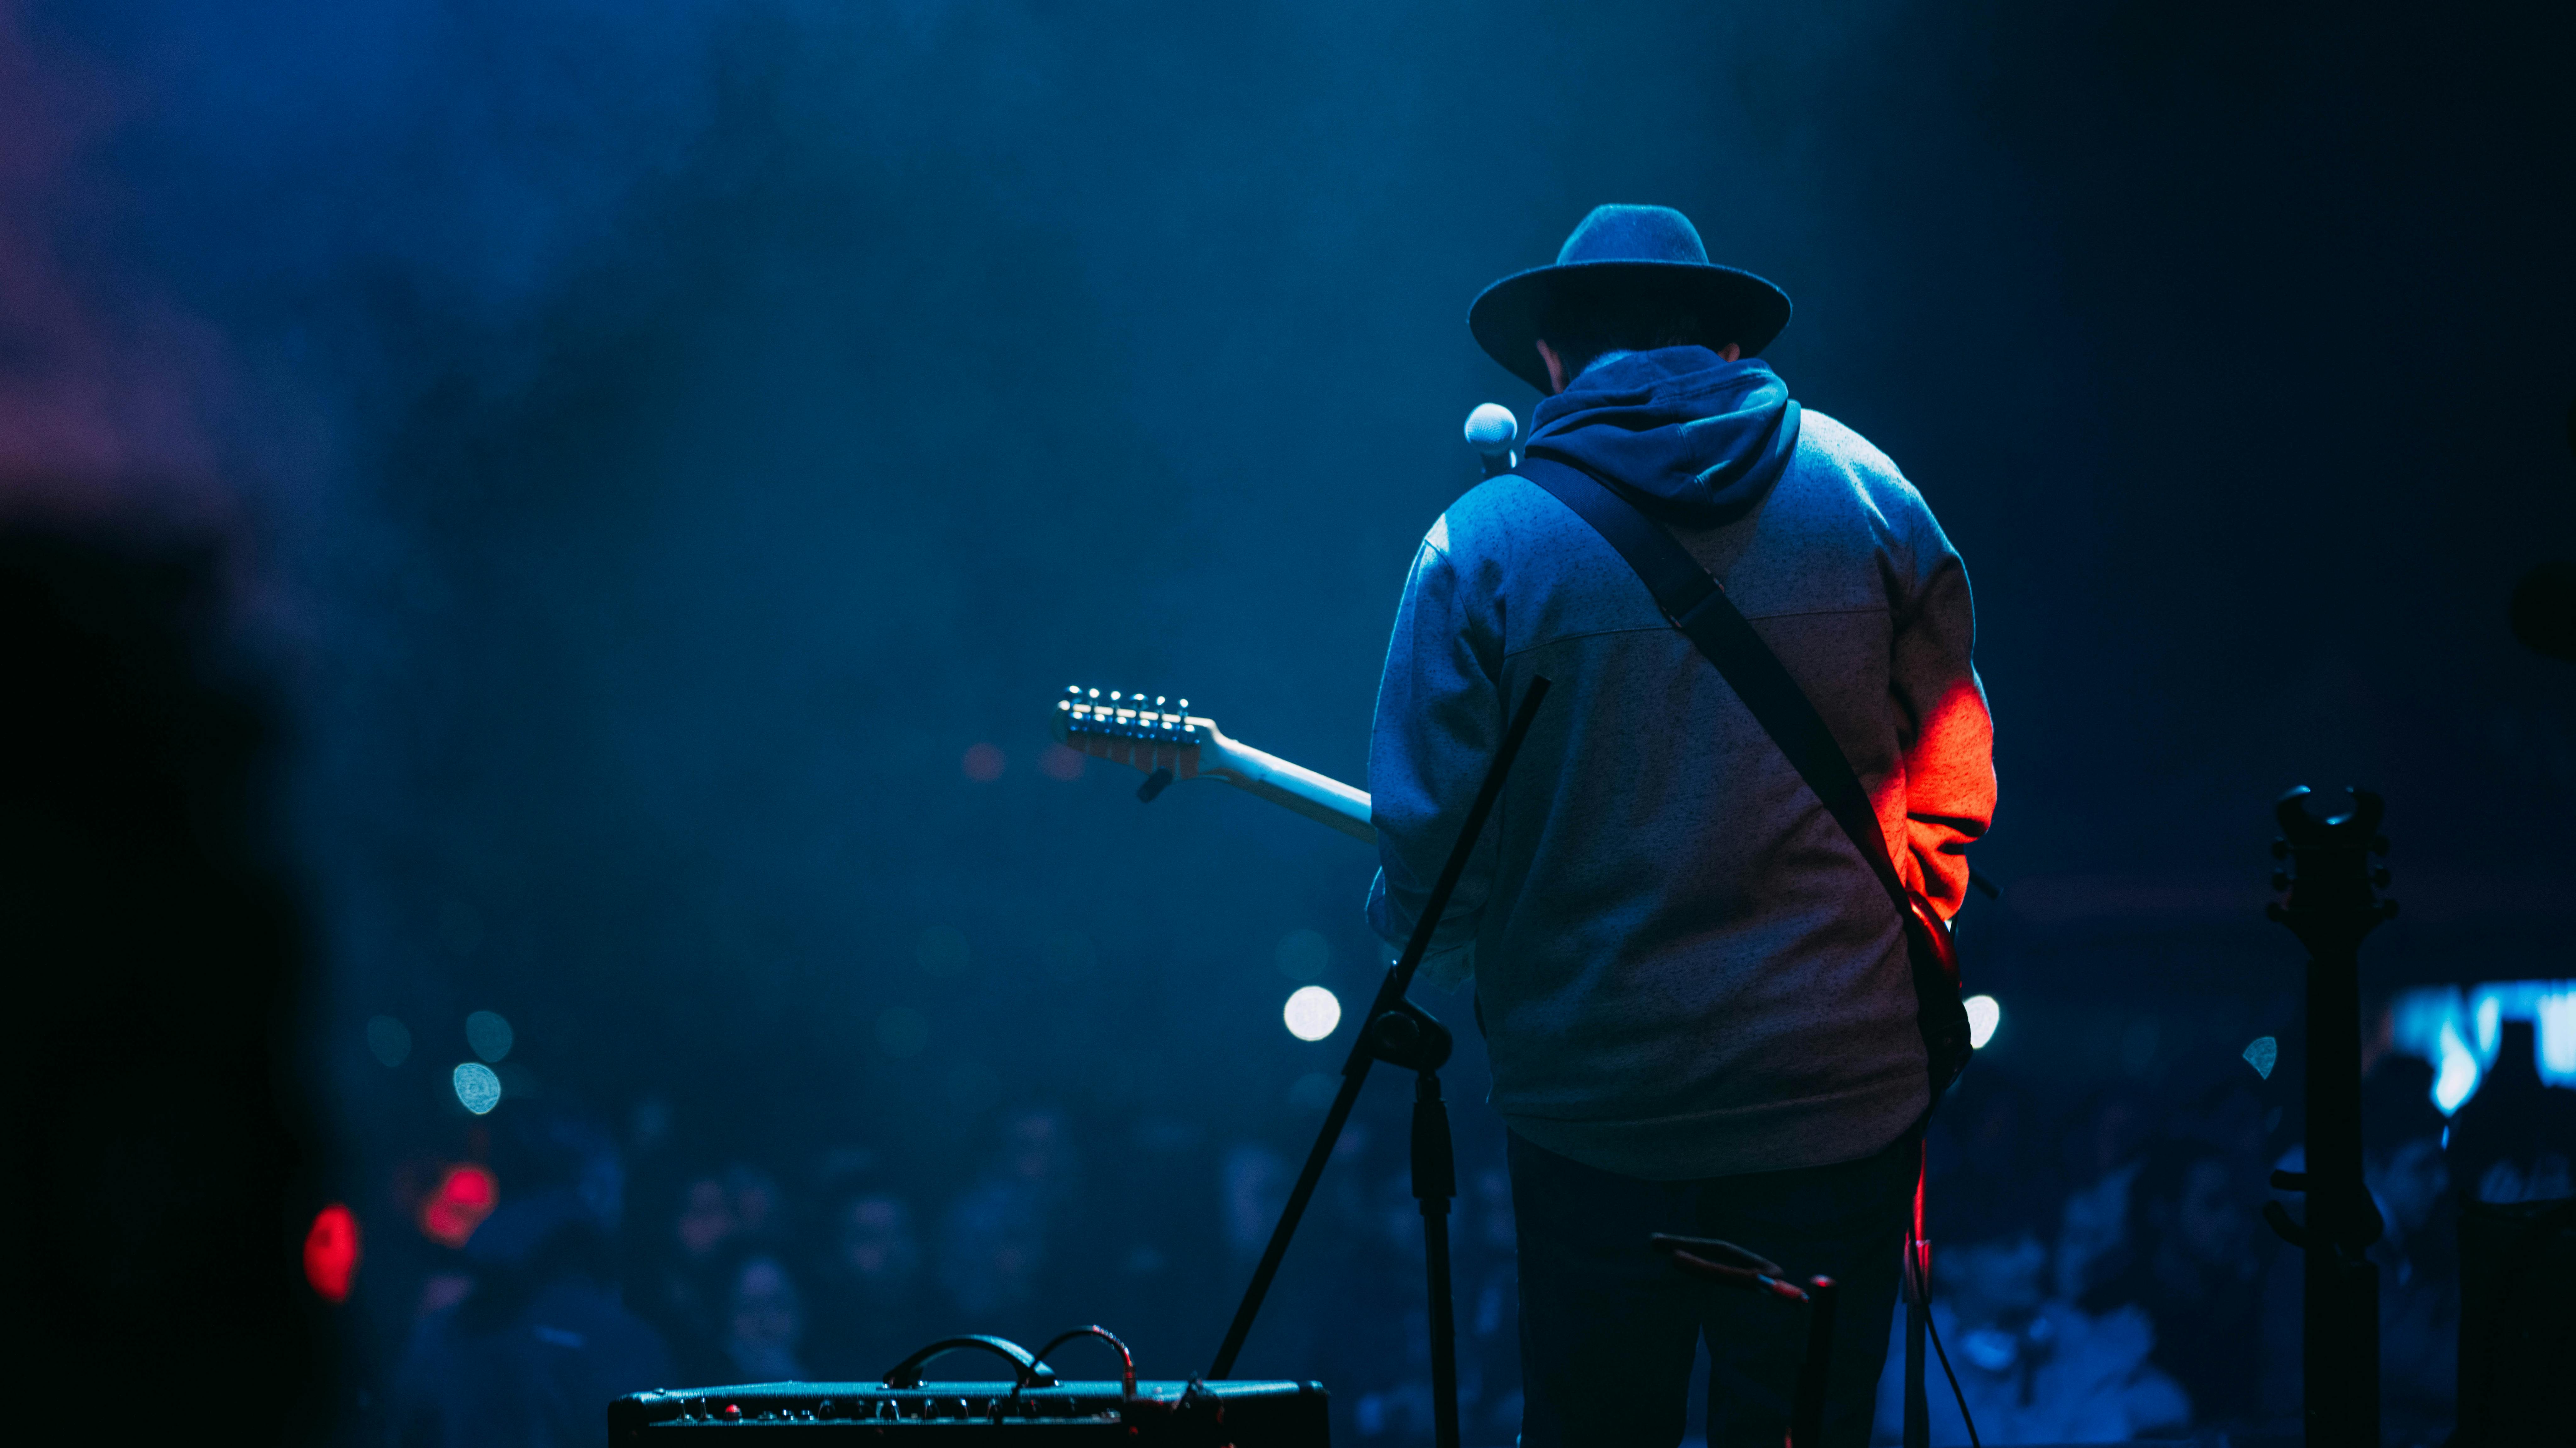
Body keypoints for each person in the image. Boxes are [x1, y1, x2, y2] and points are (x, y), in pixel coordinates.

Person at [1367, 203, 1996, 1447]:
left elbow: (1432, 859)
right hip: (1836, 1097)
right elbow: (1955, 773)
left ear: (1553, 356)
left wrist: (1493, 978)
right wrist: (1876, 945)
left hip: (1595, 1113)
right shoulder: (1870, 494)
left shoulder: (1479, 548)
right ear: (1718, 341)